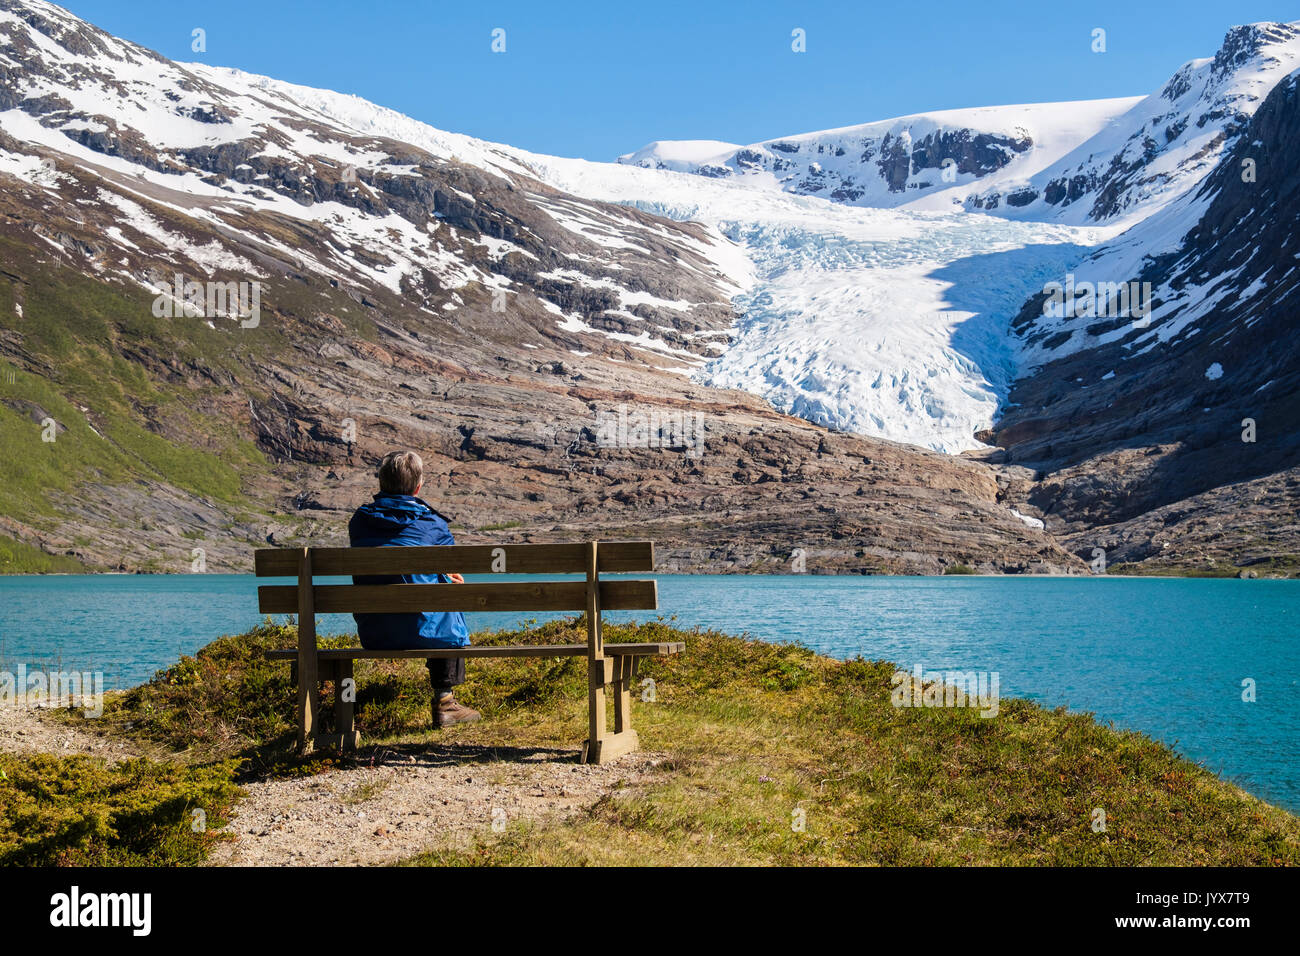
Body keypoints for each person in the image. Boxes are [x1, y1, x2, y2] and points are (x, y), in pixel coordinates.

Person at [348, 450, 480, 728]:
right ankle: (445, 701)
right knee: (446, 595)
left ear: (381, 483)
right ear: (418, 486)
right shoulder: (433, 524)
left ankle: (342, 713)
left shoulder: (359, 522)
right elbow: (449, 568)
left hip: (376, 632)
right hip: (428, 633)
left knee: (433, 596)